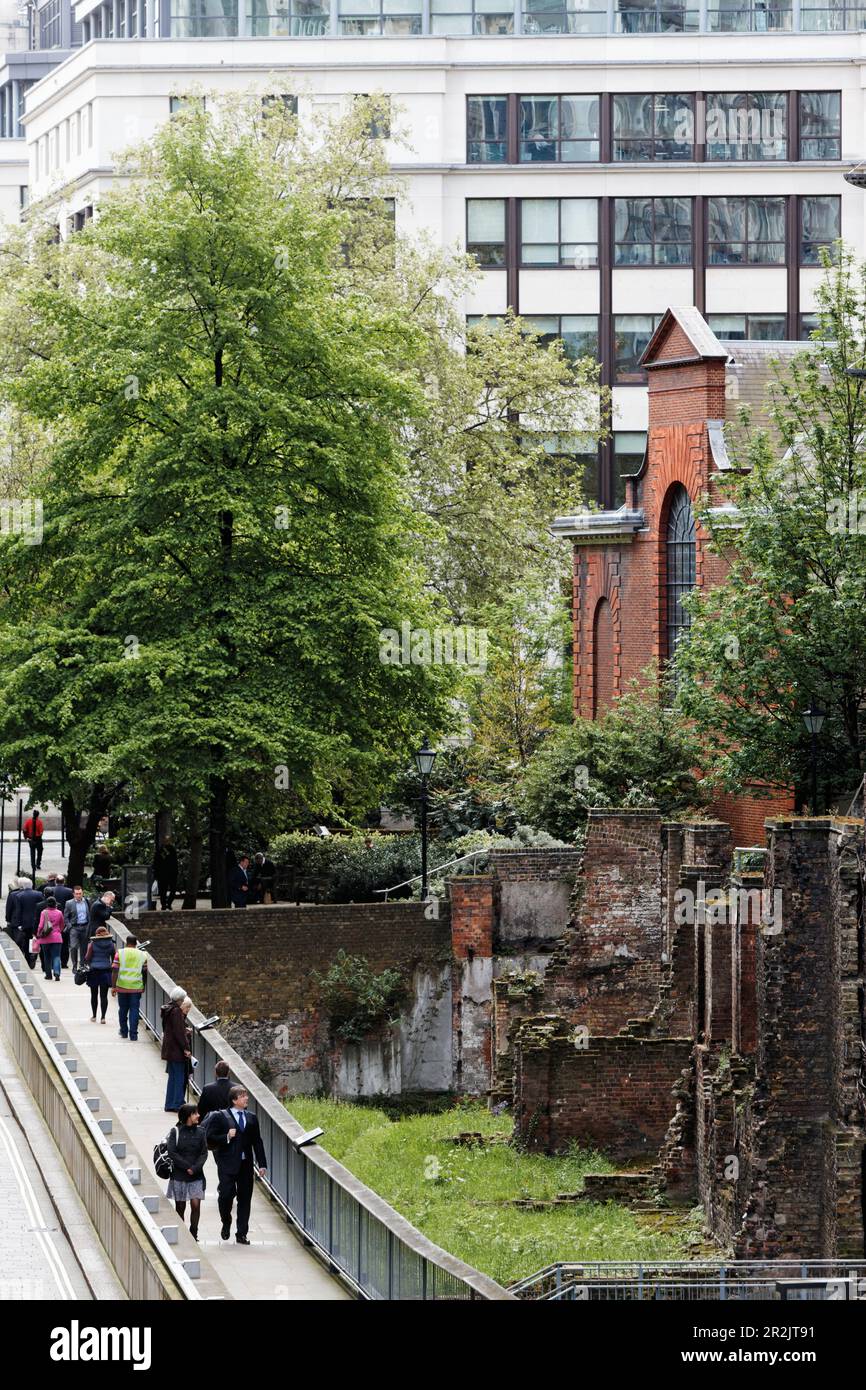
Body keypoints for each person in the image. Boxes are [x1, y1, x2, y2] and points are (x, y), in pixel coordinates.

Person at [208, 1085, 267, 1245]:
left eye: (246, 1096)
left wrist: (262, 1164)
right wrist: (226, 1136)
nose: (246, 1098)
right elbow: (211, 1137)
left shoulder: (251, 1117)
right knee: (226, 1195)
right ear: (234, 1100)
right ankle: (226, 1221)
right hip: (227, 1163)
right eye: (242, 1096)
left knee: (245, 1198)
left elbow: (257, 1142)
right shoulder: (221, 1117)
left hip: (246, 1164)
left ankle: (241, 1233)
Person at [166, 1102, 207, 1242]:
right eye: (195, 1113)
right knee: (180, 1206)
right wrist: (186, 1166)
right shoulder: (175, 1131)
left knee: (196, 1204)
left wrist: (194, 1168)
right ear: (188, 1116)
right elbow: (172, 1152)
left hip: (196, 1175)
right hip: (179, 1175)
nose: (198, 1115)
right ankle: (182, 1234)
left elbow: (204, 1153)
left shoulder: (201, 1131)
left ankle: (193, 1233)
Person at [111, 933, 148, 1041]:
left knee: (122, 1009)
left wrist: (113, 987)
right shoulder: (143, 955)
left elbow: (115, 970)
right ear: (136, 943)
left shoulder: (120, 953)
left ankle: (124, 1032)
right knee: (134, 1010)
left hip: (122, 986)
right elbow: (145, 972)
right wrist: (143, 986)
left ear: (126, 943)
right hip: (136, 987)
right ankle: (134, 1035)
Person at [161, 988, 192, 1112]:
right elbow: (179, 1033)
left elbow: (170, 1029)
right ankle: (178, 1103)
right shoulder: (177, 1012)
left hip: (169, 1048)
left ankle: (169, 1103)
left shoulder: (167, 1009)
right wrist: (186, 1048)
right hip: (177, 1051)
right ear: (179, 1000)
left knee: (172, 1077)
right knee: (179, 1077)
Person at [84, 924, 115, 1024]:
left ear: (97, 934)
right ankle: (103, 1018)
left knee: (94, 994)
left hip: (94, 971)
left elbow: (87, 957)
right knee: (104, 996)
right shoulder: (111, 944)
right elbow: (114, 958)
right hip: (106, 971)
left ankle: (94, 1016)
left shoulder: (92, 944)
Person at [11, 876, 45, 965]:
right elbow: (42, 907)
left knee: (26, 940)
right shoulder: (39, 894)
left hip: (25, 923)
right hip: (37, 922)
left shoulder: (19, 896)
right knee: (36, 940)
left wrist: (18, 923)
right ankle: (34, 955)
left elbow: (19, 911)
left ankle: (28, 959)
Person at [36, 895, 64, 982]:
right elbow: (62, 924)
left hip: (45, 938)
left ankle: (48, 975)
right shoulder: (59, 913)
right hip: (57, 937)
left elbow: (41, 925)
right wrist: (59, 931)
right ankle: (57, 973)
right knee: (56, 956)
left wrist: (38, 934)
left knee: (47, 957)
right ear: (55, 904)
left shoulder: (44, 913)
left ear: (47, 904)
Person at [65, 886, 92, 969]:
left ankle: (82, 965)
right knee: (73, 947)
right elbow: (65, 916)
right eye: (77, 894)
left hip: (85, 927)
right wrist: (69, 926)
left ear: (82, 893)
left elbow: (90, 914)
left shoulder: (87, 902)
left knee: (84, 947)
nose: (78, 895)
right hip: (74, 928)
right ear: (73, 894)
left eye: (80, 893)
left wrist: (89, 926)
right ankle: (74, 965)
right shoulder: (69, 903)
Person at [153, 838, 179, 912]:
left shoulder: (171, 850)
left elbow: (175, 862)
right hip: (163, 874)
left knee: (170, 890)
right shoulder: (159, 851)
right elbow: (156, 863)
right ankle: (164, 905)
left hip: (170, 874)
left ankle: (168, 903)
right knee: (163, 891)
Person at [52, 875, 74, 968]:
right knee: (65, 943)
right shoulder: (69, 891)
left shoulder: (51, 890)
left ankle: (54, 963)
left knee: (53, 942)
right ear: (63, 881)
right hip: (65, 920)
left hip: (53, 919)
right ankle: (64, 963)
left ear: (55, 882)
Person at [23, 809, 44, 874]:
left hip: (30, 838)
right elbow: (41, 832)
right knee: (40, 851)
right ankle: (38, 864)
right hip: (38, 838)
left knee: (32, 852)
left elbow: (24, 829)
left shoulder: (28, 821)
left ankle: (33, 866)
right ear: (38, 815)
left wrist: (26, 837)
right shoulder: (39, 822)